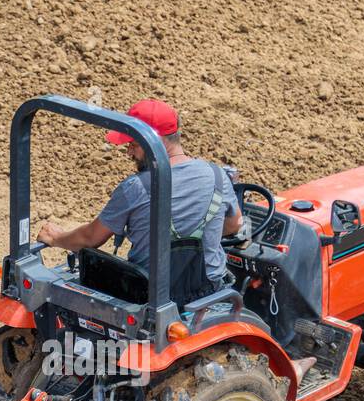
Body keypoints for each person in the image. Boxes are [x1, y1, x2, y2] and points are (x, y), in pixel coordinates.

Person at [36, 99, 243, 301]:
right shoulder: (218, 176)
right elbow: (234, 225)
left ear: (156, 141)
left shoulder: (136, 187)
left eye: (133, 144)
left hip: (151, 297)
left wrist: (57, 238)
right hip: (209, 294)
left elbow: (91, 238)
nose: (129, 152)